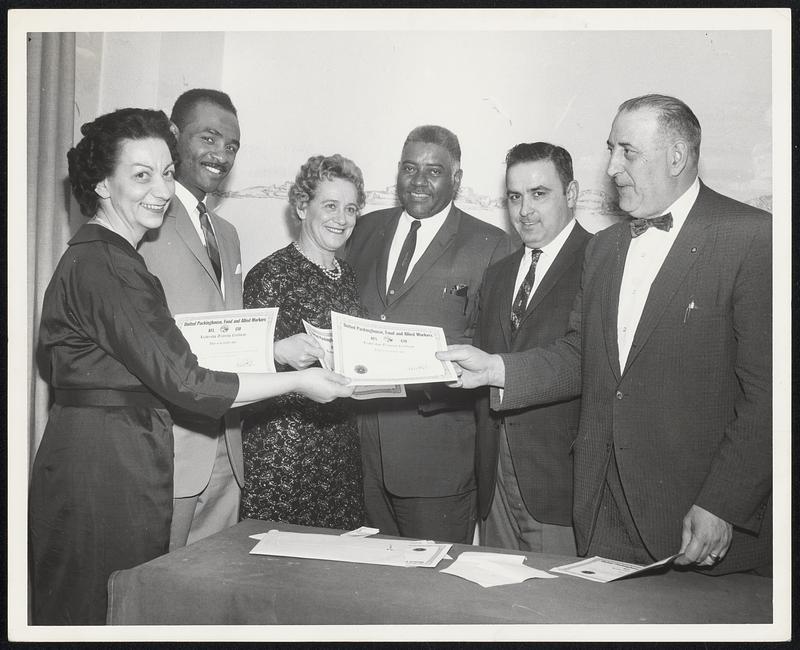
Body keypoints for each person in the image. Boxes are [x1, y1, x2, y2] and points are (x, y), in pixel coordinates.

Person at [28, 108, 354, 625]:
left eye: (165, 172)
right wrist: (301, 381)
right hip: (106, 466)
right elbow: (186, 379)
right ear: (102, 185)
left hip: (114, 453)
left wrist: (276, 352)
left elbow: (167, 354)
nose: (159, 189)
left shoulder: (106, 256)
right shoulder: (108, 265)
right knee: (105, 611)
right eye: (140, 175)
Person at [439, 94, 772, 574]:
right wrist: (496, 368)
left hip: (696, 520)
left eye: (627, 151)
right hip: (602, 515)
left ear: (676, 157)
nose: (612, 166)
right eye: (611, 149)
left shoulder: (751, 237)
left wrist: (724, 502)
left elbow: (769, 396)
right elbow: (583, 355)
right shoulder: (608, 248)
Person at [345, 125, 511, 544]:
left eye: (434, 171)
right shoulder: (364, 229)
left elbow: (496, 352)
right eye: (409, 168)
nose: (418, 181)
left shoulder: (490, 245)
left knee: (432, 595)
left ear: (456, 179)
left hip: (437, 461)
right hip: (360, 454)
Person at [139, 89, 246, 550]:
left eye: (233, 146)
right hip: (170, 449)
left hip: (228, 448)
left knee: (205, 597)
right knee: (152, 596)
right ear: (174, 136)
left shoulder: (228, 233)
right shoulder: (145, 216)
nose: (221, 155)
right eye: (210, 137)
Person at [474, 142, 592, 554]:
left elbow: (586, 361)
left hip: (561, 485)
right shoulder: (498, 273)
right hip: (495, 488)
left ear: (572, 194)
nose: (525, 210)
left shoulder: (601, 261)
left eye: (539, 194)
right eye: (515, 197)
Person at [241, 154, 367, 530]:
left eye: (350, 209)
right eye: (329, 205)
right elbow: (242, 367)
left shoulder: (348, 276)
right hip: (283, 451)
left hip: (338, 448)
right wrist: (279, 355)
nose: (341, 219)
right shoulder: (269, 275)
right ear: (301, 206)